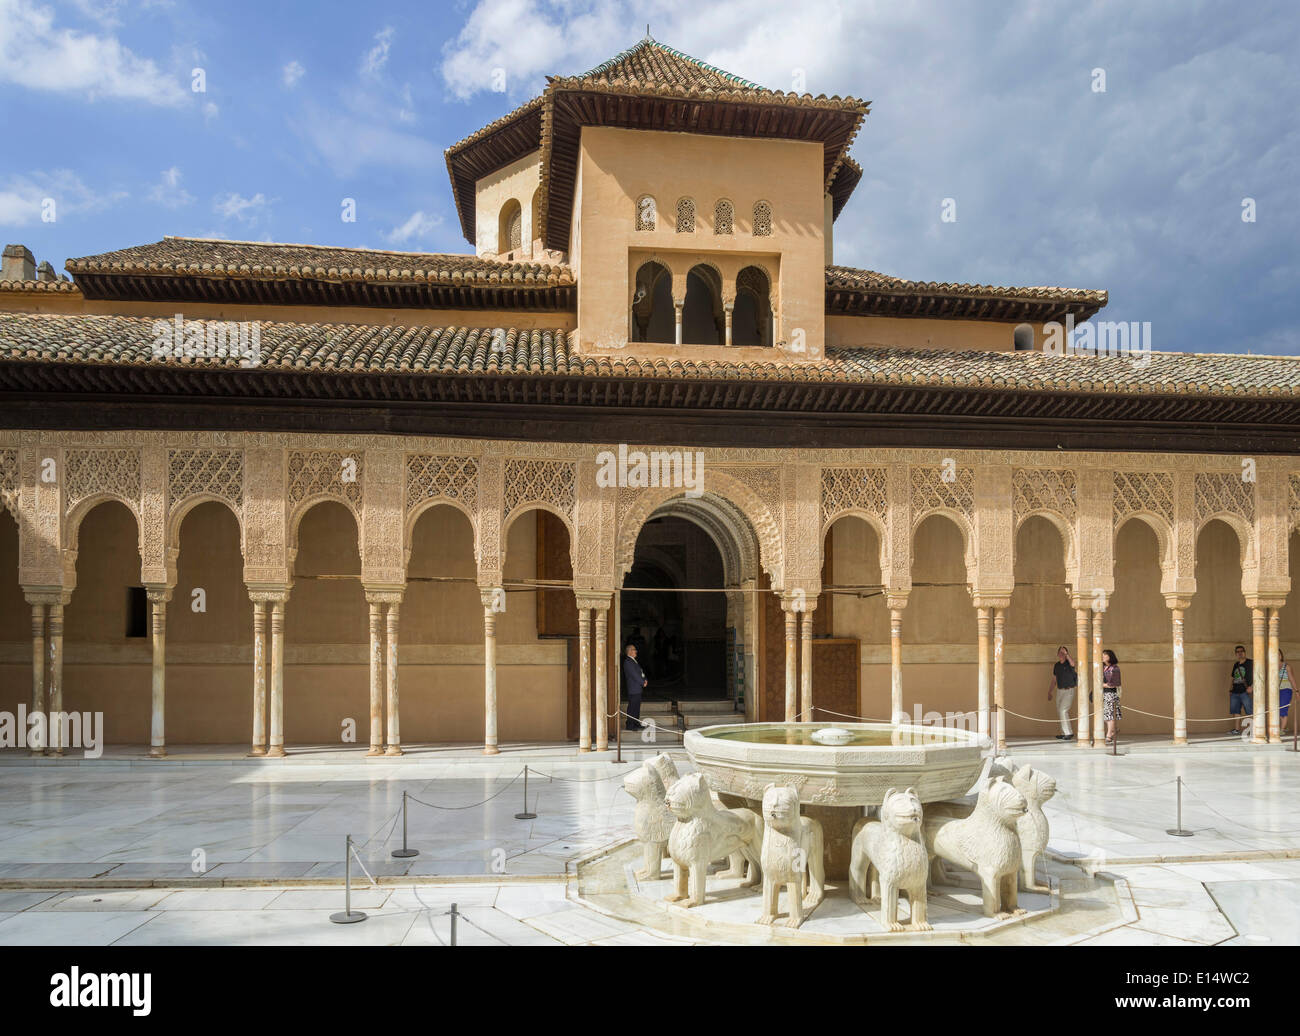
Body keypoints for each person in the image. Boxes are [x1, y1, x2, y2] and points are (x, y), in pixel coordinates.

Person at [1047, 646, 1077, 741]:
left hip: (1069, 690)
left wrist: (1067, 654)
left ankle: (1069, 733)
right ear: (1057, 654)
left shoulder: (1069, 663)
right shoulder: (1057, 665)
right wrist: (1050, 691)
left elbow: (1073, 663)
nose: (1061, 654)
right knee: (1060, 711)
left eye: (1063, 652)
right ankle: (1064, 733)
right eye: (1060, 652)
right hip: (1060, 691)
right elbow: (1054, 679)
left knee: (1063, 710)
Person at [622, 643, 648, 731]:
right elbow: (634, 675)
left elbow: (640, 672)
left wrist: (645, 679)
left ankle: (636, 723)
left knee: (636, 707)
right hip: (633, 688)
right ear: (629, 651)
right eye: (634, 650)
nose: (636, 651)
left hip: (637, 688)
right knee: (632, 707)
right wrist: (642, 682)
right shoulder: (628, 662)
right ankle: (630, 725)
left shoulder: (633, 661)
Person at [1229, 644, 1254, 735]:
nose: (1240, 653)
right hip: (1235, 691)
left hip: (1245, 691)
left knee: (1249, 710)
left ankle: (1251, 729)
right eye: (1238, 652)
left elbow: (1258, 675)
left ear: (1245, 652)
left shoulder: (1250, 662)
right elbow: (1232, 678)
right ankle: (1236, 729)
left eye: (1241, 651)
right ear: (1235, 654)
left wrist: (1252, 687)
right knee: (1235, 711)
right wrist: (1230, 689)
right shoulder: (1236, 664)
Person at [1101, 649, 1122, 745]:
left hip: (1111, 694)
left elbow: (1114, 683)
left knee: (1110, 715)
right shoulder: (1103, 667)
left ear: (1110, 657)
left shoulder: (1115, 668)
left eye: (1105, 655)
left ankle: (1109, 735)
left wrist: (1102, 685)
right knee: (1105, 716)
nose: (1103, 657)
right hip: (1103, 694)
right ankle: (1113, 729)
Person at [1280, 649, 1294, 736]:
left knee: (1283, 709)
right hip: (1276, 690)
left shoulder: (1286, 666)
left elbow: (1291, 679)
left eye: (1278, 654)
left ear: (1281, 655)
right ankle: (1284, 727)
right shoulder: (1272, 666)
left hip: (1286, 689)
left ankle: (1282, 729)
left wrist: (1296, 691)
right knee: (1278, 710)